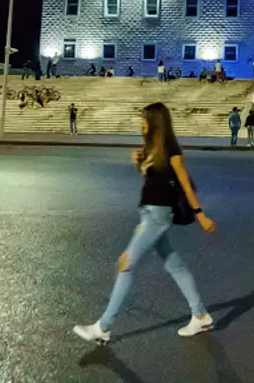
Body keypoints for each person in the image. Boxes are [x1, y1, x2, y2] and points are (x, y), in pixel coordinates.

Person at [73, 102, 216, 344]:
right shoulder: (152, 149)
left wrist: (201, 216)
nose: (142, 123)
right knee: (176, 266)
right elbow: (151, 187)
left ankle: (103, 327)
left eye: (145, 120)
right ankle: (200, 315)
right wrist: (139, 166)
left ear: (156, 122)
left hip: (159, 216)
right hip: (150, 214)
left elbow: (184, 184)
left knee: (126, 265)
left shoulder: (171, 150)